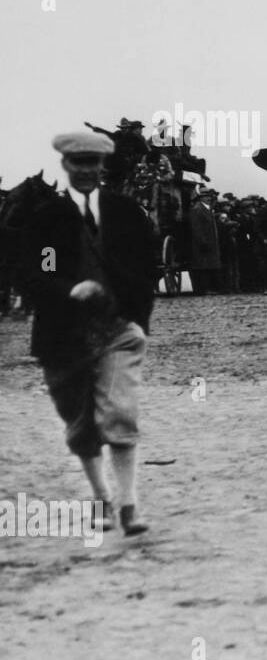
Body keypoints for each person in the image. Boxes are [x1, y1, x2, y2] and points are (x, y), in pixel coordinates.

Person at [20, 131, 155, 536]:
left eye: (93, 164)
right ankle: (101, 499)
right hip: (64, 336)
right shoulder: (47, 218)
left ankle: (129, 505)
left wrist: (137, 321)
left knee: (119, 413)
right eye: (79, 163)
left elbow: (145, 269)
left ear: (102, 166)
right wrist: (67, 289)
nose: (86, 171)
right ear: (66, 165)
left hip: (117, 332)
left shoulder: (126, 213)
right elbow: (41, 271)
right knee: (79, 422)